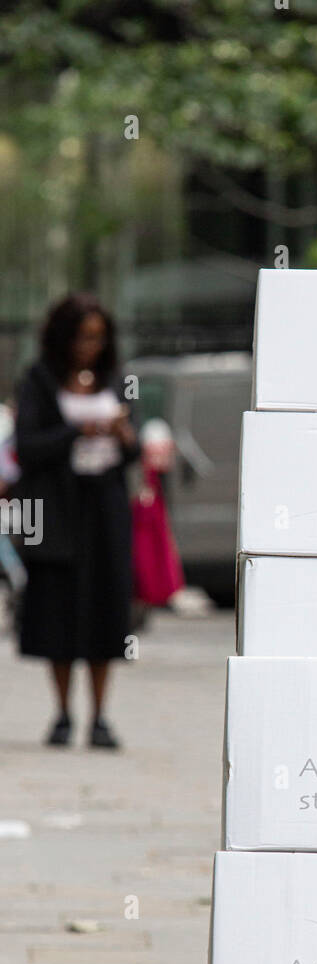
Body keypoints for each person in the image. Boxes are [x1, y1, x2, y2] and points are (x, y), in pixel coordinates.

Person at [13, 293, 140, 749]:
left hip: (103, 509)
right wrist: (77, 429)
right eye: (83, 337)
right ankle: (63, 712)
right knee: (58, 611)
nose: (91, 347)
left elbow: (134, 450)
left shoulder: (119, 380)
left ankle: (101, 715)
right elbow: (27, 445)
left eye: (98, 338)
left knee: (105, 609)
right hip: (58, 513)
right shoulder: (39, 380)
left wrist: (122, 432)